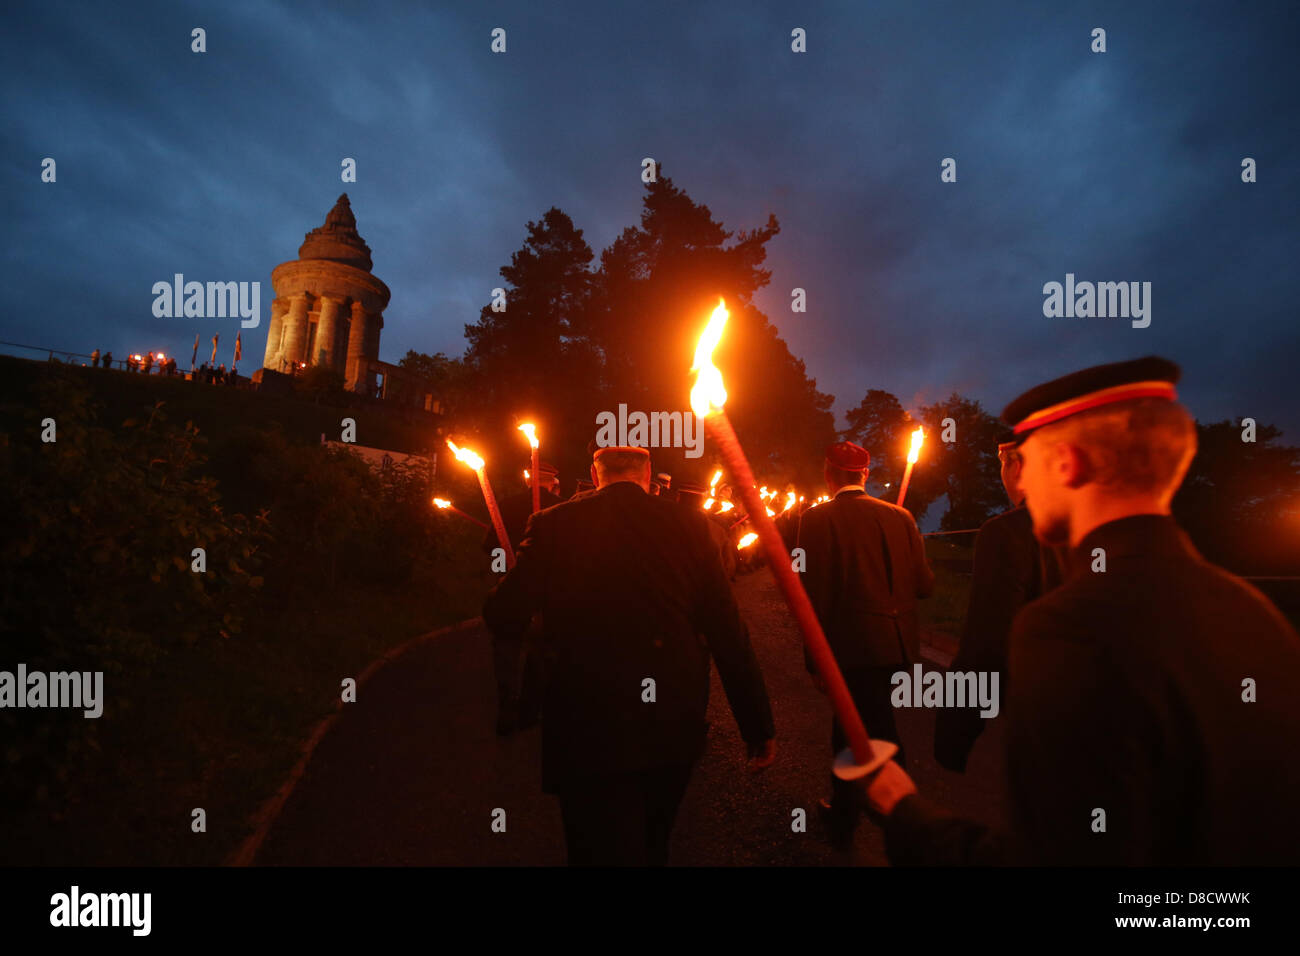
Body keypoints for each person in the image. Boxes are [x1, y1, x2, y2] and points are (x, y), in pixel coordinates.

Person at [865, 356, 1300, 865]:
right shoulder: (1258, 616)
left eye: (1027, 459)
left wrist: (907, 816)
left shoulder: (1072, 629)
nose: (1019, 478)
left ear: (1066, 464)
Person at [483, 445, 775, 866]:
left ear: (595, 473)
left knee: (589, 845)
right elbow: (728, 631)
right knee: (654, 842)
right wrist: (757, 725)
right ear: (648, 474)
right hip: (670, 717)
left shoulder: (553, 523)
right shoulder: (695, 526)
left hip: (584, 715)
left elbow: (503, 614)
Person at [796, 440, 935, 848]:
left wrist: (814, 662)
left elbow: (812, 595)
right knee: (857, 724)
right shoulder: (902, 516)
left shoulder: (816, 519)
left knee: (871, 730)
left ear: (828, 473)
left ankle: (903, 820)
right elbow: (925, 586)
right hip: (895, 647)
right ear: (866, 475)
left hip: (850, 650)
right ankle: (845, 810)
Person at [932, 434, 1063, 772]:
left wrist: (954, 732)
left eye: (1001, 466)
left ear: (1015, 466)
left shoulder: (1007, 533)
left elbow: (985, 645)